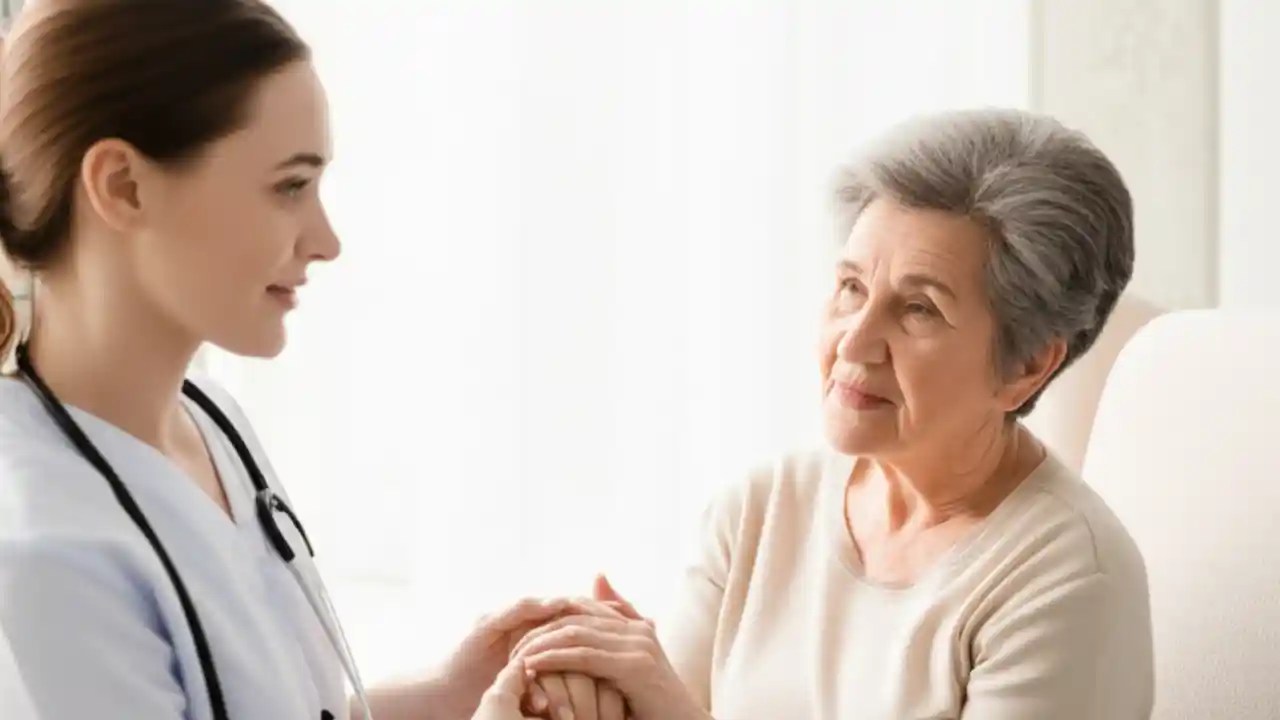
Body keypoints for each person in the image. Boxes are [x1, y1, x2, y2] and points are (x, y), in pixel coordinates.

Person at [0, 2, 623, 719]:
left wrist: (450, 694)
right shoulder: (42, 550)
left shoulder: (211, 425)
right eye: (290, 186)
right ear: (123, 185)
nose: (326, 240)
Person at [505, 109, 1156, 719]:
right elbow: (654, 700)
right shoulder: (762, 510)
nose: (853, 340)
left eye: (918, 309)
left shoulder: (1063, 581)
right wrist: (596, 688)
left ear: (1025, 367)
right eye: (851, 288)